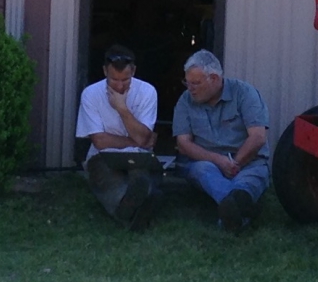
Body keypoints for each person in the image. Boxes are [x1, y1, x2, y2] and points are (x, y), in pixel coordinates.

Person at [172, 49, 270, 231]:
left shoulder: (244, 93)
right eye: (187, 82)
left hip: (248, 161)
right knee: (203, 170)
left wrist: (235, 163)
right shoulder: (185, 100)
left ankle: (233, 208)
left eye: (196, 83)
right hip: (208, 162)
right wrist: (219, 160)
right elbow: (183, 144)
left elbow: (258, 137)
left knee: (251, 177)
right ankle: (239, 205)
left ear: (215, 79)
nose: (190, 88)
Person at [75, 44, 161, 231]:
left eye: (125, 80)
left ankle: (133, 207)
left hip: (138, 155)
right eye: (114, 80)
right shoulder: (91, 94)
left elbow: (142, 138)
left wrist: (122, 108)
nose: (120, 86)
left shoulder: (147, 92)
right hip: (103, 155)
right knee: (109, 181)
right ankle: (134, 207)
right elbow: (100, 141)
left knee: (140, 176)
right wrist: (138, 139)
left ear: (134, 71)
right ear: (105, 71)